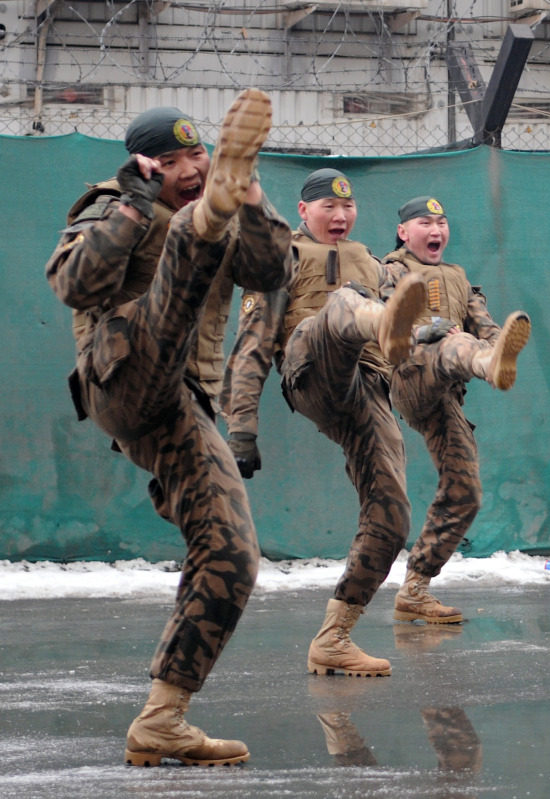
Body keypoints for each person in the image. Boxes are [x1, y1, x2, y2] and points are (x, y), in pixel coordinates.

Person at [45, 89, 291, 767]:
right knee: (190, 238)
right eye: (176, 159)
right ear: (145, 164)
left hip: (182, 406)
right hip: (122, 378)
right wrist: (132, 207)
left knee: (234, 552)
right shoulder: (117, 202)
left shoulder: (227, 204)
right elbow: (74, 285)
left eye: (200, 154)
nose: (192, 166)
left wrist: (250, 198)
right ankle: (201, 219)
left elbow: (271, 271)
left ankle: (163, 718)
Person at [222, 167, 427, 678]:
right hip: (311, 370)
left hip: (367, 388)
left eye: (348, 207)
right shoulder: (282, 259)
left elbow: (415, 327)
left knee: (393, 516)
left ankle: (334, 636)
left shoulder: (373, 263)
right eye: (327, 207)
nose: (340, 216)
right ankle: (375, 319)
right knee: (340, 305)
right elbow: (249, 347)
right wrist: (241, 428)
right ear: (303, 212)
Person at [380, 196, 531, 624]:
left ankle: (415, 588)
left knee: (466, 491)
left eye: (442, 222)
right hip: (409, 377)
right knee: (450, 341)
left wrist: (500, 342)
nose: (436, 229)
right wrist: (424, 331)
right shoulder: (389, 270)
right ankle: (484, 362)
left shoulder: (459, 278)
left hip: (445, 392)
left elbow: (486, 326)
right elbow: (379, 319)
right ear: (404, 232)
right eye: (425, 222)